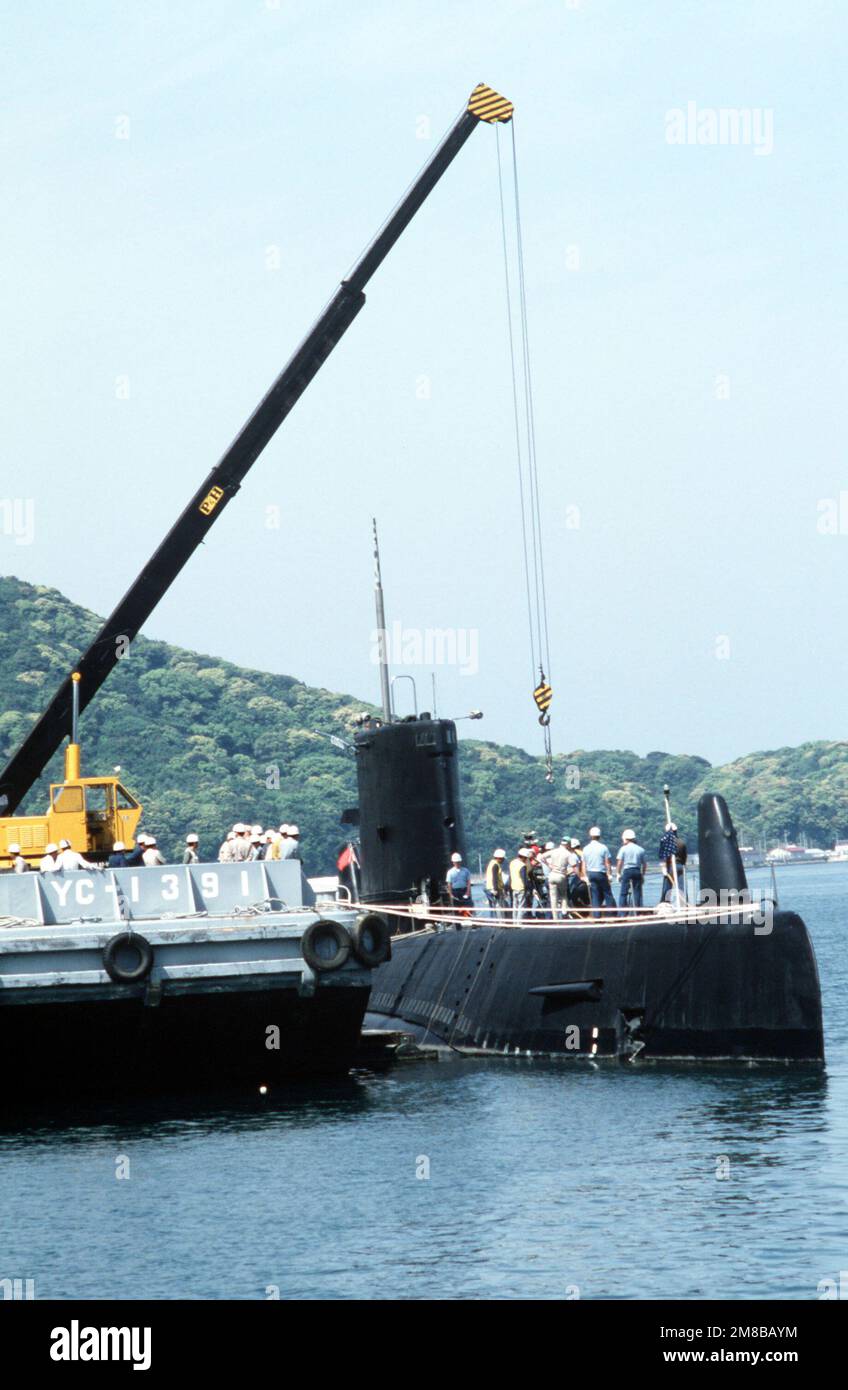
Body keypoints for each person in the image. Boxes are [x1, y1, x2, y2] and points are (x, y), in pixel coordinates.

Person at [582, 826, 615, 918]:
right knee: (607, 893)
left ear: (590, 836)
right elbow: (607, 863)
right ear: (599, 836)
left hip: (591, 874)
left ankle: (596, 916)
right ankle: (611, 914)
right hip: (601, 873)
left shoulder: (585, 848)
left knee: (595, 895)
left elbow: (583, 864)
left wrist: (585, 876)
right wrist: (609, 875)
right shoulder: (603, 848)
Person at [616, 829, 647, 910]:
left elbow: (619, 863)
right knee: (637, 893)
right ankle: (637, 911)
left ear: (626, 839)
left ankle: (622, 913)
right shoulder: (640, 849)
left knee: (623, 893)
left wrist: (618, 873)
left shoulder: (623, 848)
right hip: (637, 871)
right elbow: (644, 864)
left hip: (627, 871)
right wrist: (642, 875)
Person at [659, 823, 686, 904]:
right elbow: (684, 856)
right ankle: (683, 904)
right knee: (681, 887)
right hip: (680, 866)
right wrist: (683, 864)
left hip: (670, 866)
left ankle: (665, 903)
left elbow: (664, 856)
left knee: (667, 887)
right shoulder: (682, 842)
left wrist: (664, 867)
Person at [546, 837, 571, 919]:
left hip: (552, 874)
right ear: (567, 844)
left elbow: (541, 857)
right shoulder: (568, 853)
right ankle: (564, 913)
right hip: (561, 875)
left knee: (553, 898)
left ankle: (555, 918)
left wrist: (549, 865)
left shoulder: (554, 851)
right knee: (563, 895)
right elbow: (573, 865)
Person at [446, 851, 473, 917]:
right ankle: (458, 924)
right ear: (453, 862)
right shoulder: (450, 872)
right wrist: (451, 894)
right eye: (456, 862)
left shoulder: (465, 871)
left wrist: (468, 892)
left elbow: (468, 882)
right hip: (455, 891)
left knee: (468, 905)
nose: (457, 863)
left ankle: (471, 921)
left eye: (458, 862)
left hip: (464, 890)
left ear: (460, 862)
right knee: (456, 908)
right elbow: (449, 884)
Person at [509, 846, 531, 923]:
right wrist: (528, 888)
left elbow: (510, 876)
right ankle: (519, 923)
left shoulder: (512, 862)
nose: (526, 860)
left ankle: (514, 922)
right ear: (524, 857)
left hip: (513, 887)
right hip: (521, 888)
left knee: (515, 906)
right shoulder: (522, 865)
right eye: (526, 858)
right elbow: (524, 878)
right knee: (521, 906)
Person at [484, 848, 508, 917]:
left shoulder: (491, 863)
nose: (503, 860)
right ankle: (500, 923)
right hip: (494, 888)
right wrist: (495, 890)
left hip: (489, 888)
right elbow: (495, 878)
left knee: (493, 907)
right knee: (498, 906)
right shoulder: (495, 865)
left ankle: (495, 923)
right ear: (499, 858)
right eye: (502, 858)